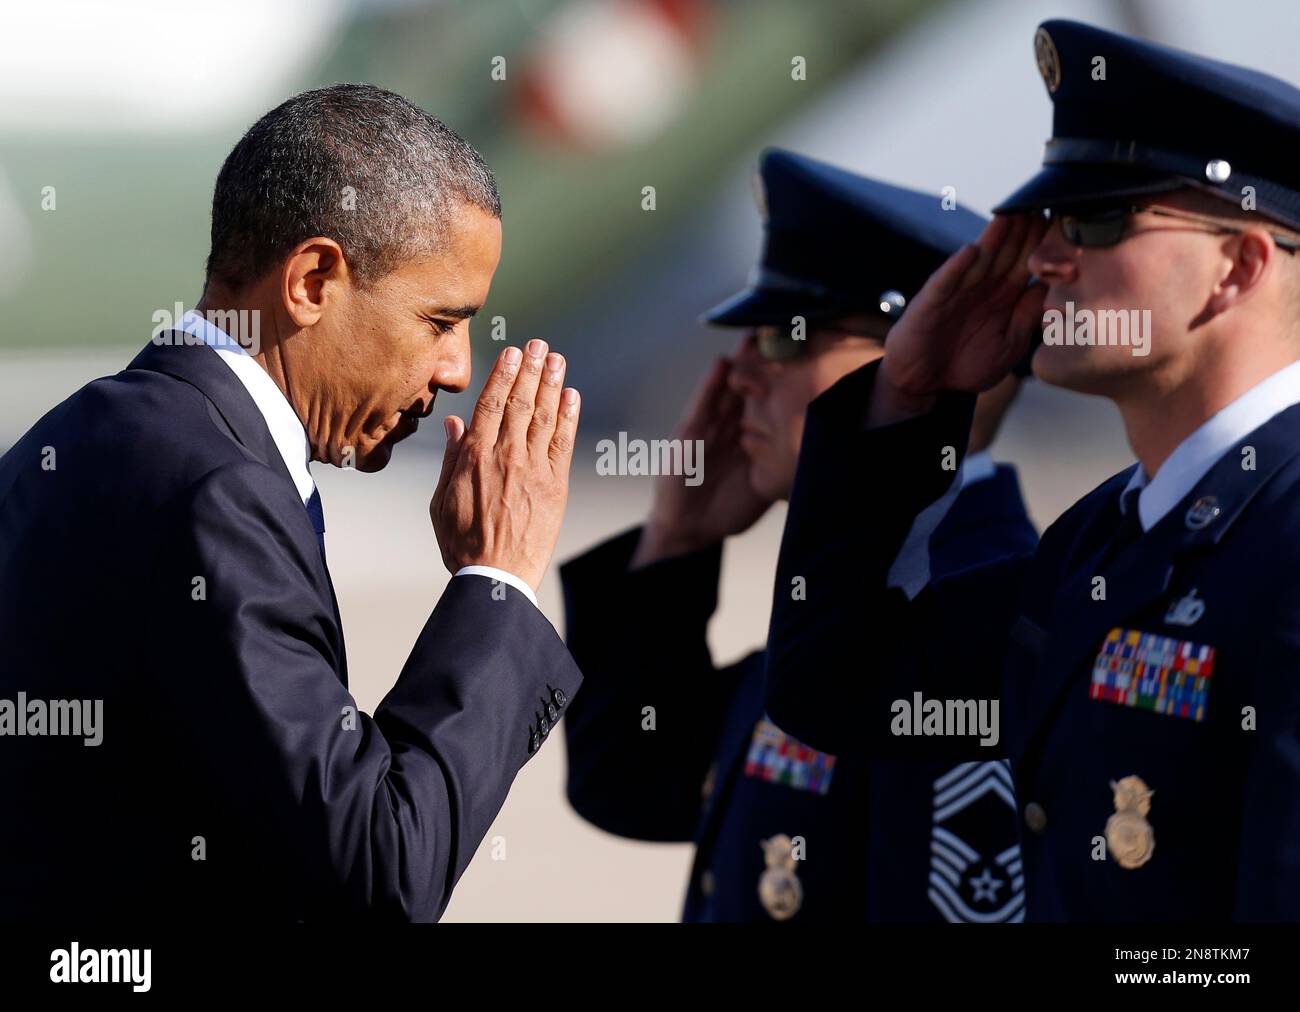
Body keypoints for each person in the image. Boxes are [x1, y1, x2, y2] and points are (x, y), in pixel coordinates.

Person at [0, 84, 583, 923]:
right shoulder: (220, 494)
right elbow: (377, 872)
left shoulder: (82, 433)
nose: (458, 368)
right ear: (312, 280)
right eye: (439, 320)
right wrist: (497, 580)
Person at [764, 20, 1300, 921]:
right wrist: (906, 396)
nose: (1047, 259)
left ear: (1237, 267)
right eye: (1049, 224)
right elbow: (837, 688)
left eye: (1095, 220)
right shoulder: (1096, 544)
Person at [563, 149, 1035, 921]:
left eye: (785, 339)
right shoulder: (851, 592)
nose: (740, 373)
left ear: (932, 349)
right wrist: (676, 540)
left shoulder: (995, 614)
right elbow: (633, 782)